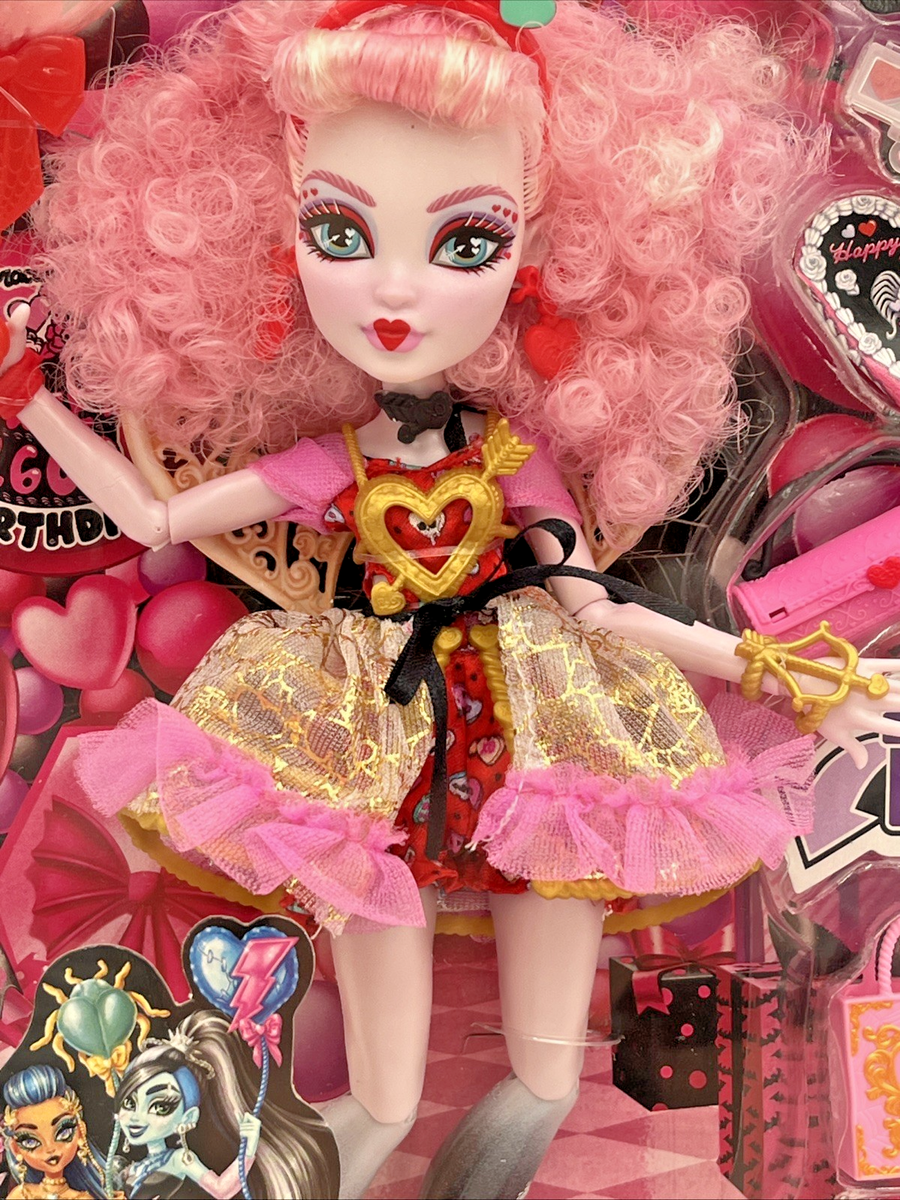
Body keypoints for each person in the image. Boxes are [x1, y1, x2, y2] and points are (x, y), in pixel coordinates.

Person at [1, 2, 896, 1195]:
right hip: (366, 729)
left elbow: (593, 604)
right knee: (383, 1093)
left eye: (467, 242)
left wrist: (785, 671)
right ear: (271, 232)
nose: (395, 289)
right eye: (338, 230)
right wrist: (31, 399)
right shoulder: (332, 465)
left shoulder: (511, 453)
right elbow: (158, 520)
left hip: (539, 733)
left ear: (546, 251)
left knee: (545, 1077)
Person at [113, 1009, 337, 1200]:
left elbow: (222, 1190)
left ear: (188, 1118)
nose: (136, 1116)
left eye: (160, 1107)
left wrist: (249, 1148)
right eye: (130, 1102)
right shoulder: (133, 1166)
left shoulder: (179, 1160)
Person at [2, 1065, 109, 1200]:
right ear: (16, 1149)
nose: (50, 1148)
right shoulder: (21, 1195)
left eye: (63, 1132)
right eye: (30, 1141)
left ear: (81, 1131)